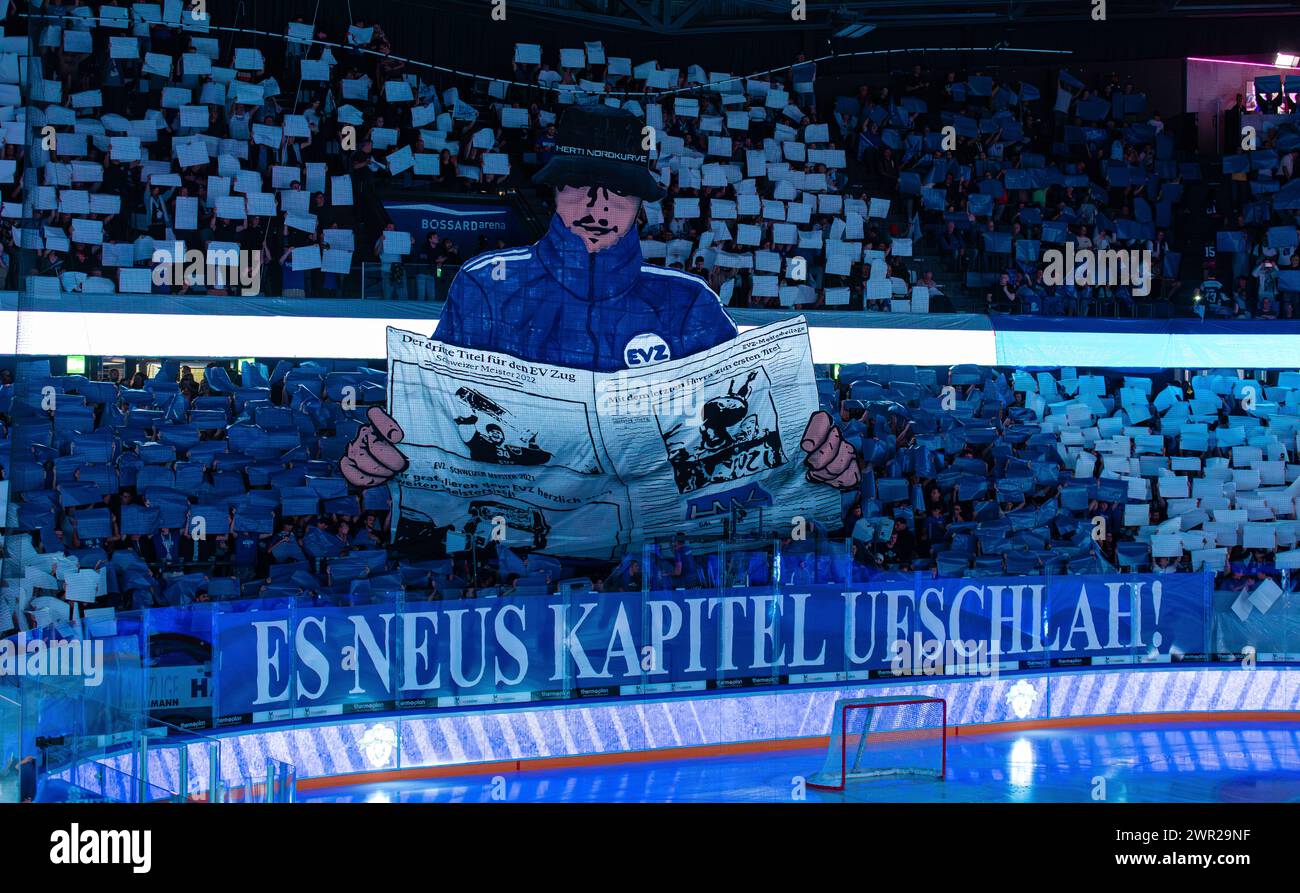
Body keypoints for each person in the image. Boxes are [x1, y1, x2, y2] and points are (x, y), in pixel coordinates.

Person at [342, 106, 859, 498]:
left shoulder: (687, 305)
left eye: (619, 189)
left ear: (639, 202)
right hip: (515, 550)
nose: (598, 205)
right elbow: (436, 424)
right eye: (580, 185)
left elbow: (742, 429)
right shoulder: (486, 286)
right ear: (554, 190)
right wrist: (390, 449)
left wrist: (812, 455)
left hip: (650, 563)